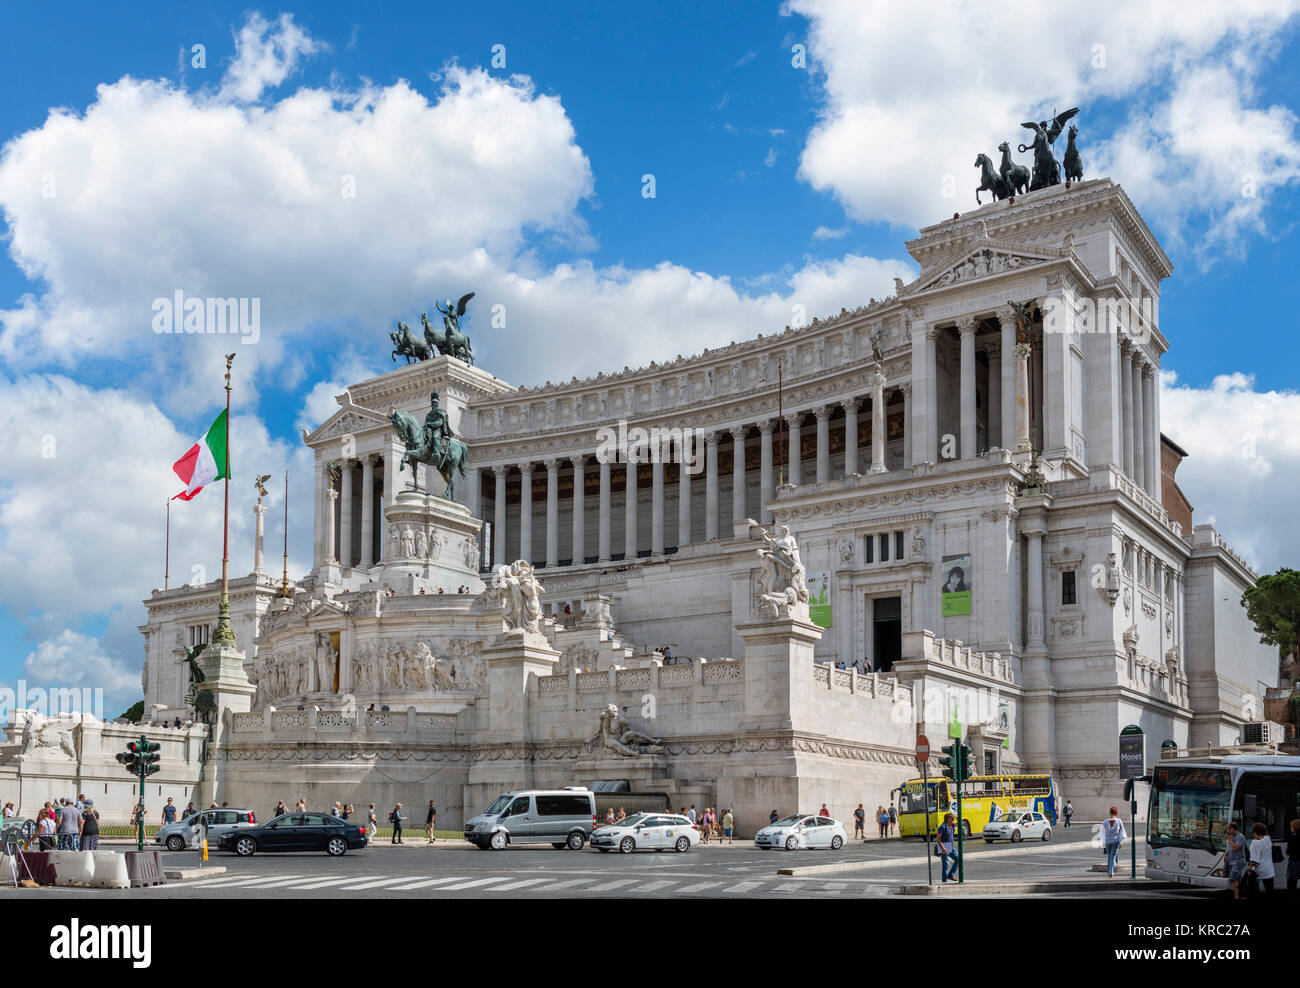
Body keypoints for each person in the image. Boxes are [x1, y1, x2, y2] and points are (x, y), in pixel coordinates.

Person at [1245, 822, 1274, 895]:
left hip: (1259, 871)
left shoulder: (1255, 843)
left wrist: (1249, 869)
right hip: (1269, 870)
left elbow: (1254, 860)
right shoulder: (1268, 839)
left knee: (1253, 890)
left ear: (1255, 832)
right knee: (1269, 890)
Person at [1224, 822, 1248, 899]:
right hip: (1231, 861)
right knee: (1237, 879)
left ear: (1233, 829)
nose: (1227, 830)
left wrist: (1230, 839)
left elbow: (1235, 847)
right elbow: (1230, 847)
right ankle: (1242, 894)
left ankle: (1236, 896)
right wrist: (1226, 854)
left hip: (1239, 861)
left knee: (1233, 878)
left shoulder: (1240, 837)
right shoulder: (1232, 836)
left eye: (1229, 829)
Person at [1102, 806, 1126, 878]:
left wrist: (1103, 843)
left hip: (1108, 841)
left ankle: (1109, 872)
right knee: (1112, 857)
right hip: (1116, 841)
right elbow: (1122, 832)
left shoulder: (1105, 821)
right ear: (1117, 813)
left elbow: (1102, 832)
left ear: (1110, 813)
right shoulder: (1118, 821)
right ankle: (1111, 873)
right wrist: (1120, 842)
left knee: (1109, 856)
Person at [937, 812, 958, 882]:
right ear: (947, 819)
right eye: (951, 818)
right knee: (945, 865)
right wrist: (943, 848)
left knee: (959, 859)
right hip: (944, 848)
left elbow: (960, 823)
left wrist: (956, 817)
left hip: (951, 848)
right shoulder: (943, 827)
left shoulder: (951, 826)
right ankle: (944, 881)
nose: (953, 820)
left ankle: (950, 875)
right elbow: (938, 839)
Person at [1285, 818, 1300, 895]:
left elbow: (1288, 852)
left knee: (1291, 882)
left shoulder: (1293, 838)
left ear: (1294, 827)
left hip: (1294, 862)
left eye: (1291, 827)